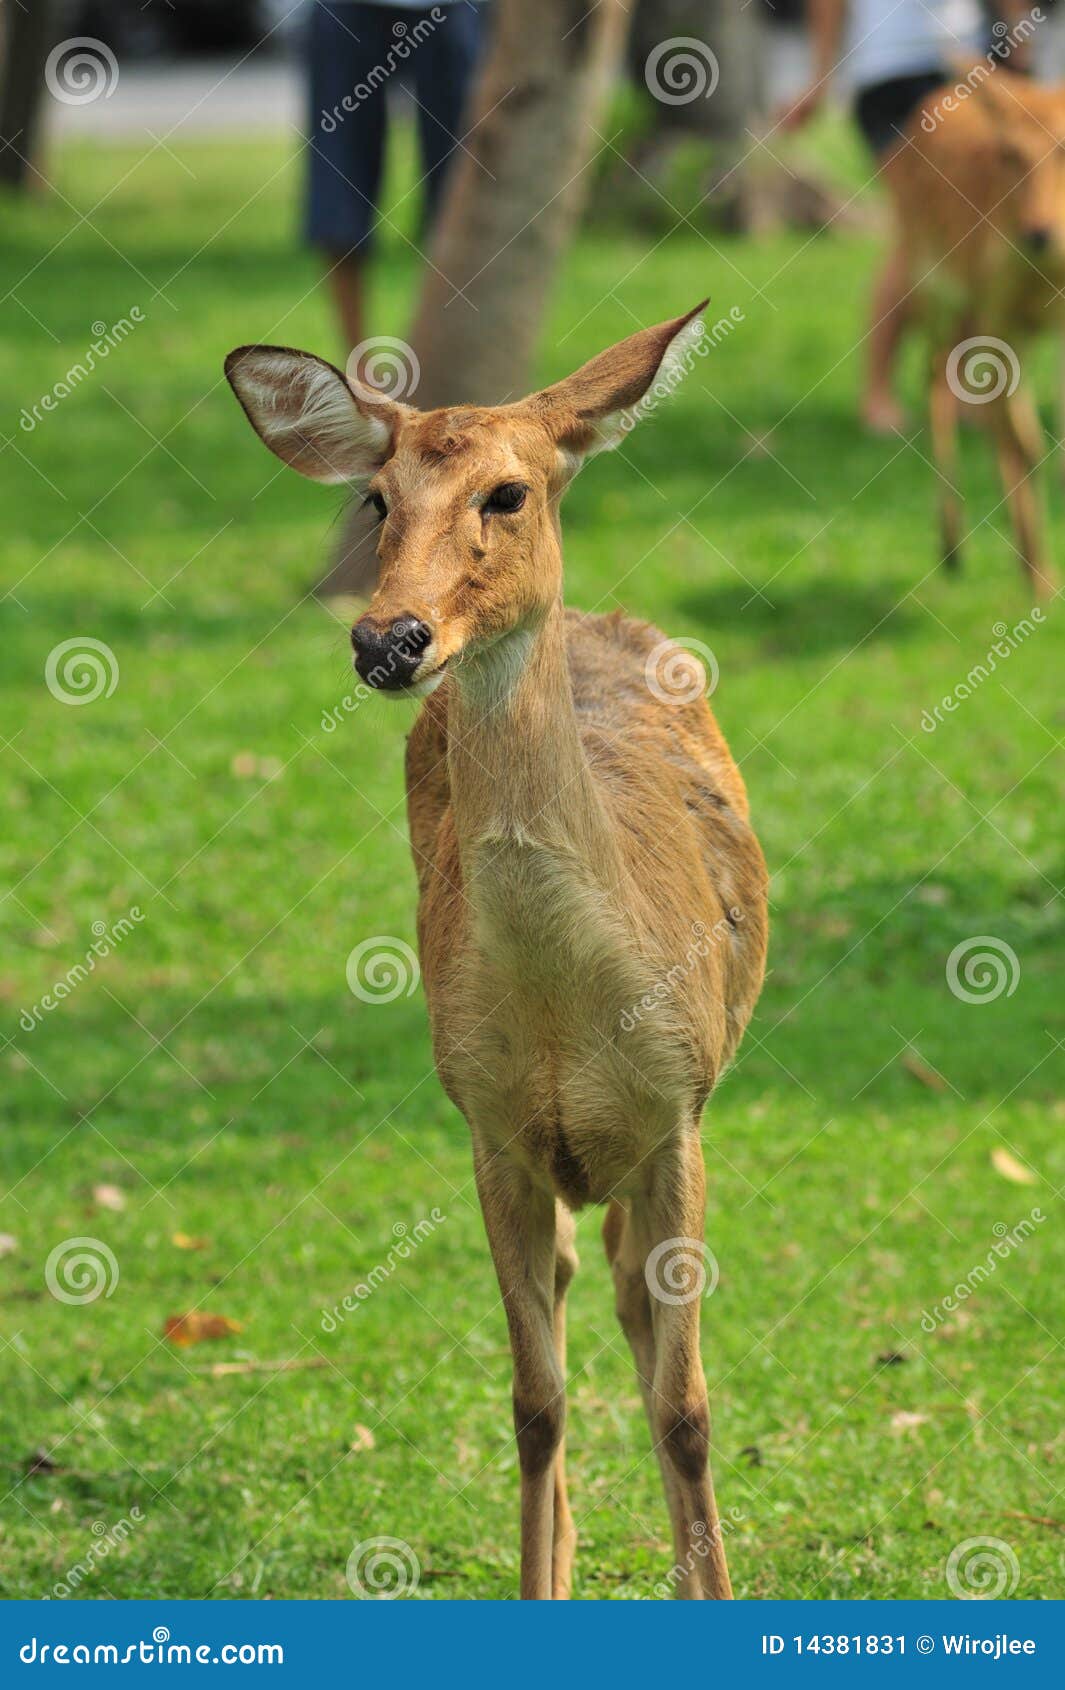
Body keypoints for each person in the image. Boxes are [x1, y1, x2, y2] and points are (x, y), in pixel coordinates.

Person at [780, 0, 1010, 433]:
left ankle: (960, 388)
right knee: (916, 237)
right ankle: (878, 393)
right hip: (892, 76)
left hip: (967, 67)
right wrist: (819, 80)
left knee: (970, 237)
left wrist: (1018, 41)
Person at [305, 1, 486, 369]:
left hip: (452, 9)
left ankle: (443, 365)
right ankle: (359, 376)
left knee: (465, 199)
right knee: (338, 186)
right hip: (346, 9)